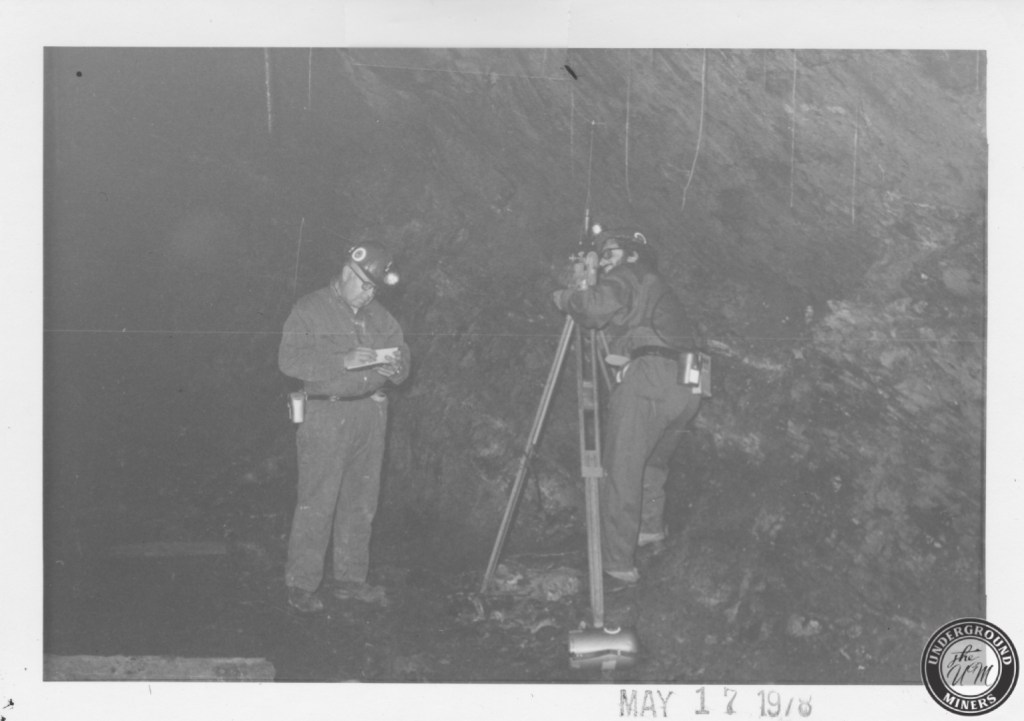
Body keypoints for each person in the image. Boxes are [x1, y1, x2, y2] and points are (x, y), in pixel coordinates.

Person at [552, 226, 702, 587]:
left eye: (610, 254)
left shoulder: (630, 274)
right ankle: (649, 530)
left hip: (653, 374)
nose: (604, 262)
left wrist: (564, 297)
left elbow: (592, 309)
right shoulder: (656, 289)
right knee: (652, 459)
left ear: (633, 255)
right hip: (690, 381)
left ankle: (617, 562)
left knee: (622, 466)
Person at [278, 242, 410, 613]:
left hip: (370, 415)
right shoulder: (309, 309)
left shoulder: (379, 316)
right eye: (366, 285)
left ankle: (351, 580)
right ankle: (302, 584)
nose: (370, 293)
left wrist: (395, 369)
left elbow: (403, 357)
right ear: (348, 273)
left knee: (361, 501)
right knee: (317, 500)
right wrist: (343, 361)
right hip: (325, 415)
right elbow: (289, 360)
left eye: (375, 289)